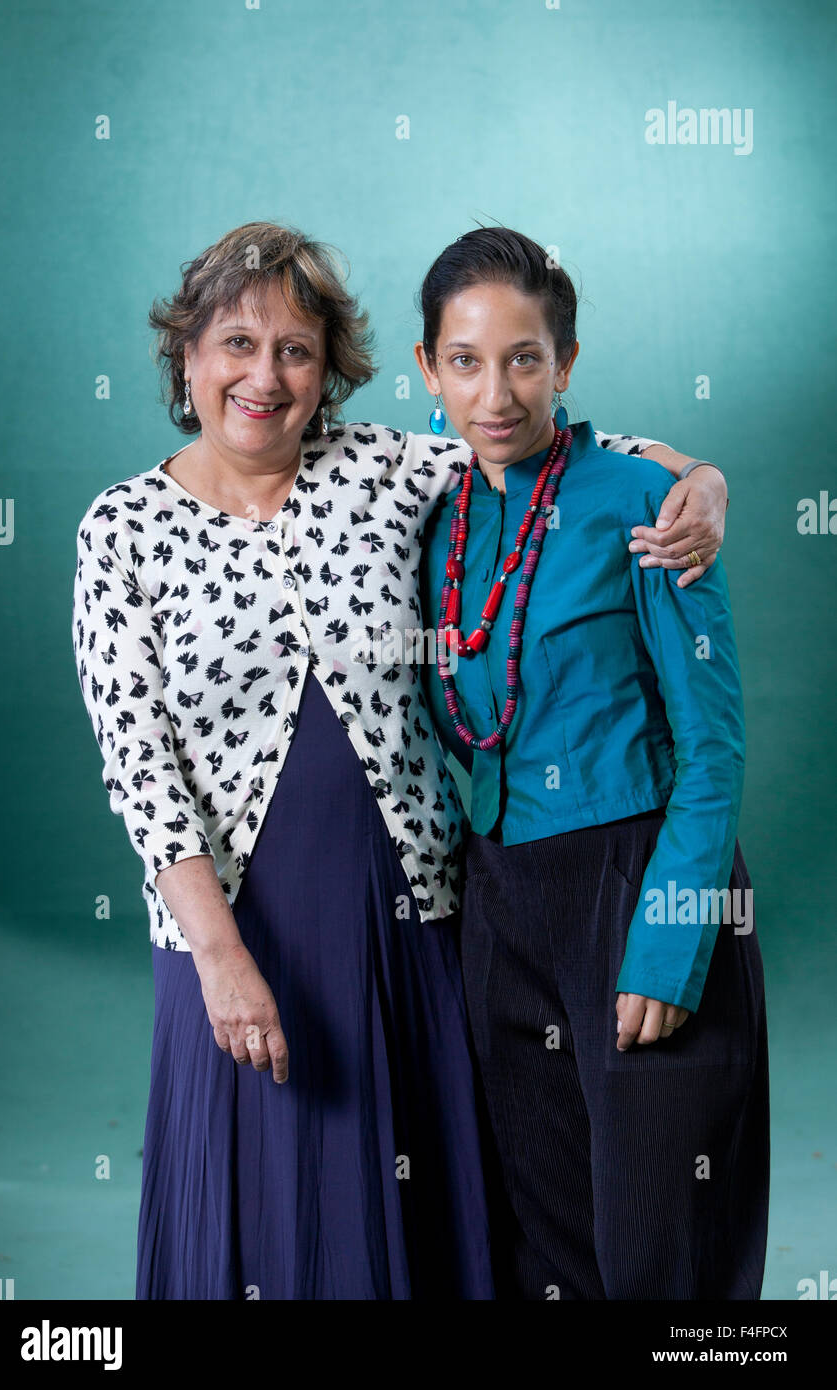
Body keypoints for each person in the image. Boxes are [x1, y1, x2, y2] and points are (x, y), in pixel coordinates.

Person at [71, 220, 730, 1300]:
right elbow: (138, 770)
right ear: (184, 356)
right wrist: (220, 960)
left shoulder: (386, 469)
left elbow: (561, 451)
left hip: (405, 915)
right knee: (261, 1204)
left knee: (420, 1205)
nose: (263, 375)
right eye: (235, 343)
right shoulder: (122, 530)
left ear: (332, 368)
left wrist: (701, 482)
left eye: (295, 348)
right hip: (230, 928)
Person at [416, 226, 768, 1301]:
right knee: (543, 1239)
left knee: (660, 1245)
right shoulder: (427, 515)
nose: (496, 392)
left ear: (563, 364)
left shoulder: (640, 504)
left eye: (523, 358)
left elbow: (711, 743)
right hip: (498, 898)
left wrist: (667, 941)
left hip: (636, 883)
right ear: (427, 369)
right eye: (465, 360)